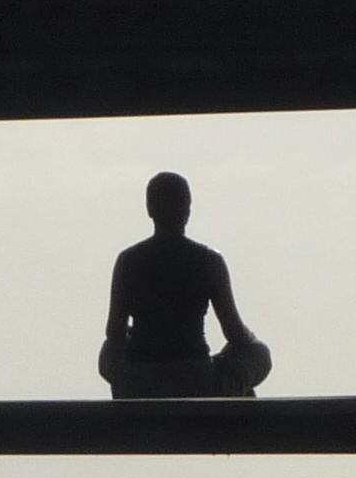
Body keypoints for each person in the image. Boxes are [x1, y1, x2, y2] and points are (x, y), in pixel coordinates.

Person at [98, 171, 272, 399]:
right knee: (259, 354)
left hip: (140, 379)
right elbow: (234, 332)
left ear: (149, 209)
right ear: (187, 210)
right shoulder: (209, 261)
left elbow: (114, 334)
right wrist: (250, 341)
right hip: (196, 377)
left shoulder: (128, 261)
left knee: (107, 352)